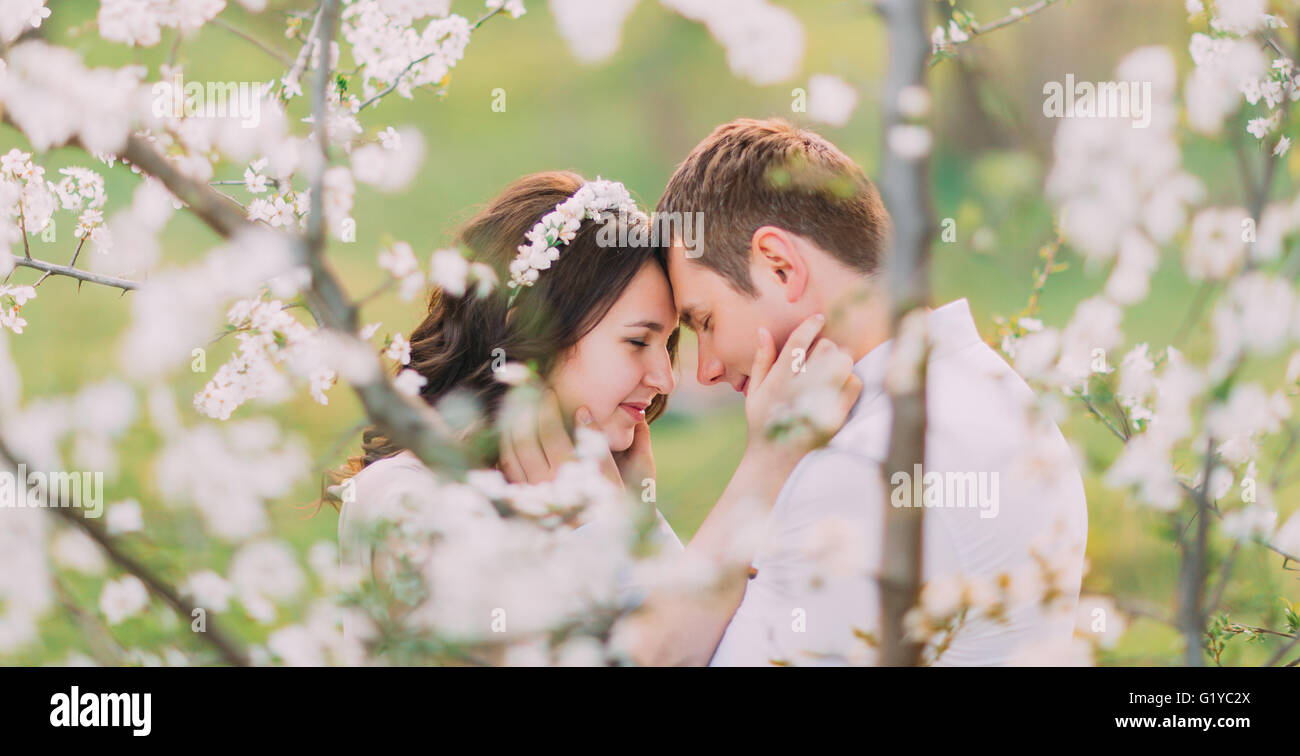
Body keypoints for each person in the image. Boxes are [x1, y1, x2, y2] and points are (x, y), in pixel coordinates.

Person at [326, 170, 862, 665]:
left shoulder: (594, 487)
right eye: (637, 341)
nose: (666, 378)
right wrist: (764, 461)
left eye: (668, 343)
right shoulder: (404, 500)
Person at [646, 117, 1089, 665]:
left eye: (705, 321)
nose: (706, 369)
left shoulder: (863, 470)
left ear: (780, 267)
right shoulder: (994, 387)